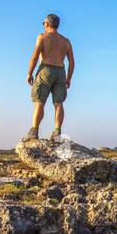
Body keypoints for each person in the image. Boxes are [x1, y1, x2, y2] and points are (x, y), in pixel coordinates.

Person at [25, 13, 74, 141]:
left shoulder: (42, 37)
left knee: (39, 103)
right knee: (59, 104)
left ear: (46, 24)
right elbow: (72, 62)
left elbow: (35, 57)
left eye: (43, 24)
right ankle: (57, 132)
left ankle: (34, 131)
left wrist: (29, 73)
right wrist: (69, 78)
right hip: (61, 72)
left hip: (46, 70)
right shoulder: (66, 41)